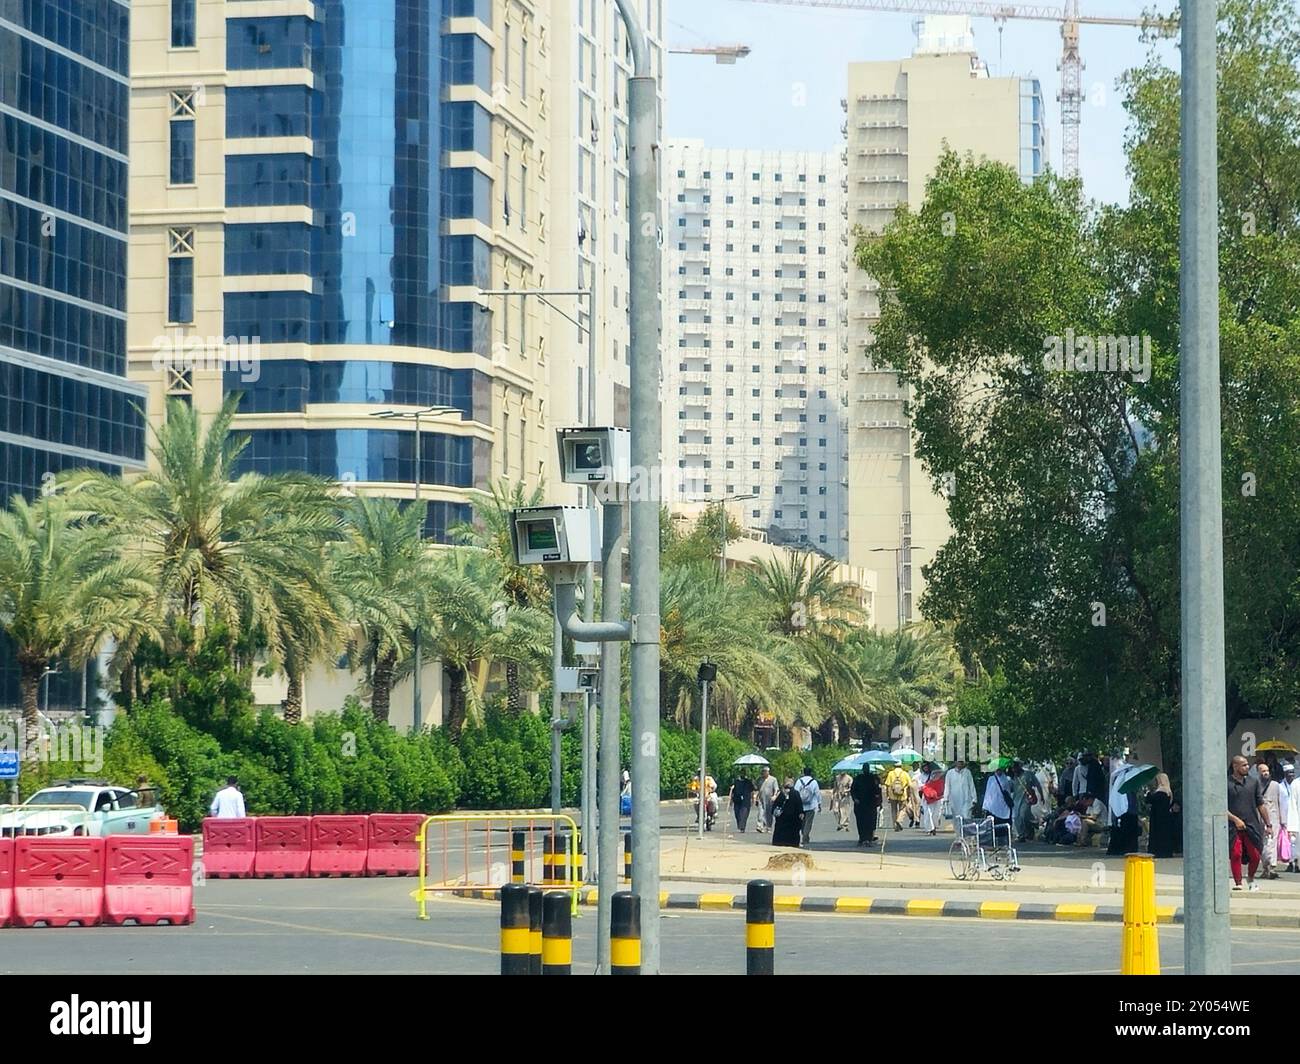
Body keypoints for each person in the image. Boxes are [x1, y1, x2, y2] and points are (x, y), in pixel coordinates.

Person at [1228, 754, 1271, 892]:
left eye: (1247, 764)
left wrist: (1268, 824)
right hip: (1233, 826)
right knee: (1236, 853)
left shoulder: (1253, 782)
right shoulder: (1226, 783)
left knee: (1255, 855)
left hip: (1252, 824)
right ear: (1235, 766)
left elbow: (1260, 804)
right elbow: (1220, 807)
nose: (1247, 767)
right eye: (1244, 765)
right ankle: (1238, 882)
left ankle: (1251, 877)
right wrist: (1235, 819)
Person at [1106, 763, 1141, 856]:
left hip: (1128, 811)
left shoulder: (1122, 782)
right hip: (1127, 812)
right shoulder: (1122, 783)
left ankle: (1127, 848)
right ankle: (1127, 848)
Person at [1258, 762, 1283, 879]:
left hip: (1274, 818)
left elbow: (1281, 802)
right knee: (1262, 844)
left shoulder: (1276, 785)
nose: (1266, 773)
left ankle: (1272, 867)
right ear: (1258, 773)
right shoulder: (1256, 785)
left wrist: (1283, 820)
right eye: (1263, 771)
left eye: (1267, 770)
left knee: (1272, 843)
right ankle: (1265, 867)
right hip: (1260, 818)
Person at [1146, 773, 1177, 858]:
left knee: (1158, 835)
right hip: (1166, 817)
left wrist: (1148, 793)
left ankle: (1158, 851)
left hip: (1158, 818)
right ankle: (1166, 851)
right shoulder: (1169, 792)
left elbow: (1150, 800)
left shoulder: (1160, 792)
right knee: (1165, 835)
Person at [850, 767, 881, 845]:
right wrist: (855, 799)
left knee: (870, 821)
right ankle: (862, 837)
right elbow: (853, 790)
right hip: (860, 804)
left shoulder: (873, 778)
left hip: (871, 803)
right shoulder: (858, 778)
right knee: (861, 822)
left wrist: (878, 800)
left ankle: (869, 838)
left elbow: (877, 790)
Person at [944, 759, 976, 829]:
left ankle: (967, 835)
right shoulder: (950, 773)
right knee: (956, 818)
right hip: (954, 800)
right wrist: (945, 798)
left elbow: (971, 785)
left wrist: (974, 798)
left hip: (966, 799)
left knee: (966, 817)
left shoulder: (967, 772)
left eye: (961, 762)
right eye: (959, 762)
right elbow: (947, 786)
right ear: (955, 762)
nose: (960, 763)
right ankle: (959, 836)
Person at [771, 778, 804, 848]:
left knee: (780, 832)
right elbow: (799, 805)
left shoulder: (781, 794)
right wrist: (801, 813)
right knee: (793, 832)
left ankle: (779, 842)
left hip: (782, 818)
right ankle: (793, 843)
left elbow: (775, 805)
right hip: (793, 818)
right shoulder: (795, 793)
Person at [794, 766, 822, 847]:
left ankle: (803, 834)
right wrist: (819, 804)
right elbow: (817, 793)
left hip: (800, 806)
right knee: (808, 823)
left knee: (802, 822)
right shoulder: (814, 782)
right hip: (811, 806)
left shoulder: (799, 781)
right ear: (811, 773)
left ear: (803, 772)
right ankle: (805, 837)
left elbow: (796, 792)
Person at [982, 764, 1014, 829]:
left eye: (999, 769)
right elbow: (988, 792)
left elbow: (1009, 790)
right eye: (997, 770)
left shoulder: (1006, 779)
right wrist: (985, 805)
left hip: (1004, 804)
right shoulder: (991, 779)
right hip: (993, 805)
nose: (998, 771)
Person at [919, 761, 946, 836]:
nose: (926, 768)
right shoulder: (921, 776)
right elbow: (919, 786)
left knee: (936, 813)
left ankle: (934, 826)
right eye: (924, 766)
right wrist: (925, 786)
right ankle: (930, 829)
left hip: (937, 796)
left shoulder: (935, 774)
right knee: (928, 813)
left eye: (926, 766)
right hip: (927, 797)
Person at [884, 762, 912, 832]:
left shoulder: (890, 773)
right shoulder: (905, 774)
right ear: (901, 766)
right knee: (903, 809)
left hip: (892, 795)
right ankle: (899, 820)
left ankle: (895, 826)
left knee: (894, 810)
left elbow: (887, 785)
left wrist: (887, 795)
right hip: (902, 794)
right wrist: (909, 795)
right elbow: (909, 785)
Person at [1283, 764, 1300, 873]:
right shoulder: (1296, 784)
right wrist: (1292, 825)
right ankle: (1296, 864)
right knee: (1297, 844)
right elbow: (1292, 805)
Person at [756, 765, 780, 832]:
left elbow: (776, 789)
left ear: (768, 772)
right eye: (763, 771)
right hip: (761, 798)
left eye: (765, 771)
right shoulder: (760, 779)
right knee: (760, 812)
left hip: (769, 798)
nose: (764, 773)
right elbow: (757, 788)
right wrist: (756, 797)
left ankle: (768, 826)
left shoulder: (773, 779)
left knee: (768, 813)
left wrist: (774, 796)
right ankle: (760, 826)